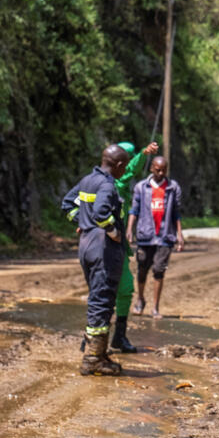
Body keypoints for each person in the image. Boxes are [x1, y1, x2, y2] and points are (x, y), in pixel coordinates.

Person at [61, 144, 130, 376]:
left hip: (87, 246)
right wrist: (114, 232)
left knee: (98, 298)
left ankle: (99, 354)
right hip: (103, 249)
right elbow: (101, 212)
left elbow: (67, 204)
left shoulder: (87, 180)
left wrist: (81, 223)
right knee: (102, 301)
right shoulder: (107, 185)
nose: (125, 171)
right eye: (125, 167)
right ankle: (92, 359)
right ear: (118, 166)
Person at [106, 141, 158, 353]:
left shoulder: (120, 183)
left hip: (120, 248)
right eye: (128, 160)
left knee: (125, 289)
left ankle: (119, 336)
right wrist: (144, 155)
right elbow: (131, 170)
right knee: (104, 292)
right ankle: (93, 338)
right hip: (106, 247)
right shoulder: (113, 184)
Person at [127, 155, 185, 319]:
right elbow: (134, 210)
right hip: (145, 235)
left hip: (165, 236)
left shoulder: (173, 188)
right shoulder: (141, 187)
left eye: (163, 170)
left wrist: (179, 234)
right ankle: (140, 300)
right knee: (142, 270)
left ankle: (156, 308)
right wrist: (129, 229)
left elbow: (176, 213)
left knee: (159, 271)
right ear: (151, 168)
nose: (160, 173)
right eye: (157, 170)